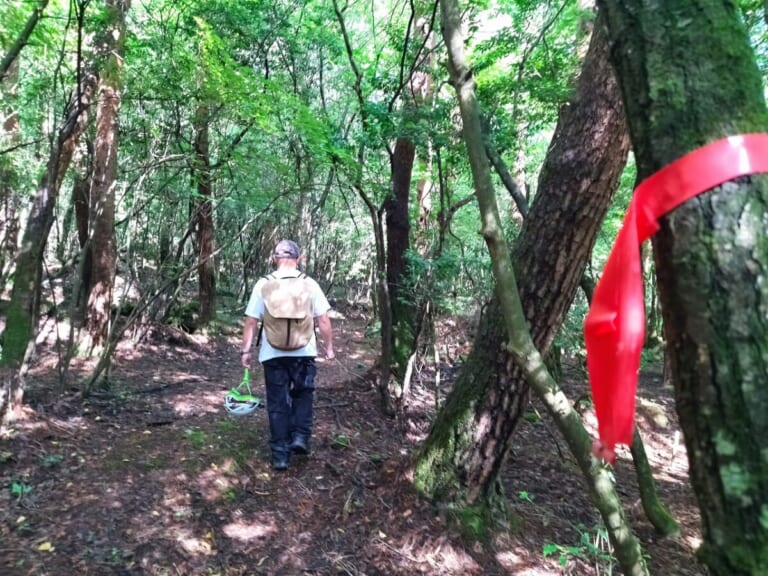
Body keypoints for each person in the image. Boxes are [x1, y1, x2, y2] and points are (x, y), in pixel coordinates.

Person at [240, 239, 335, 470]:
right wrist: (329, 347)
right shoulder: (309, 283)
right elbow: (323, 319)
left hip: (272, 353)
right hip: (304, 352)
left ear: (275, 259)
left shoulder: (264, 284)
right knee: (303, 395)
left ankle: (280, 455)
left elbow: (251, 321)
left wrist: (246, 351)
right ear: (298, 259)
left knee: (277, 403)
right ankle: (300, 437)